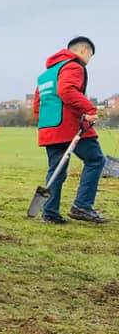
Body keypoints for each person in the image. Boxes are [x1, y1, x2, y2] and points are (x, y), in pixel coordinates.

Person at [32, 36, 107, 224]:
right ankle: (82, 206)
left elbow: (37, 105)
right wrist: (90, 110)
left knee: (57, 169)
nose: (88, 61)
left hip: (49, 128)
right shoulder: (74, 66)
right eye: (90, 56)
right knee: (96, 159)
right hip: (70, 127)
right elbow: (66, 90)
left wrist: (47, 121)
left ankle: (49, 213)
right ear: (84, 51)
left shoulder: (47, 74)